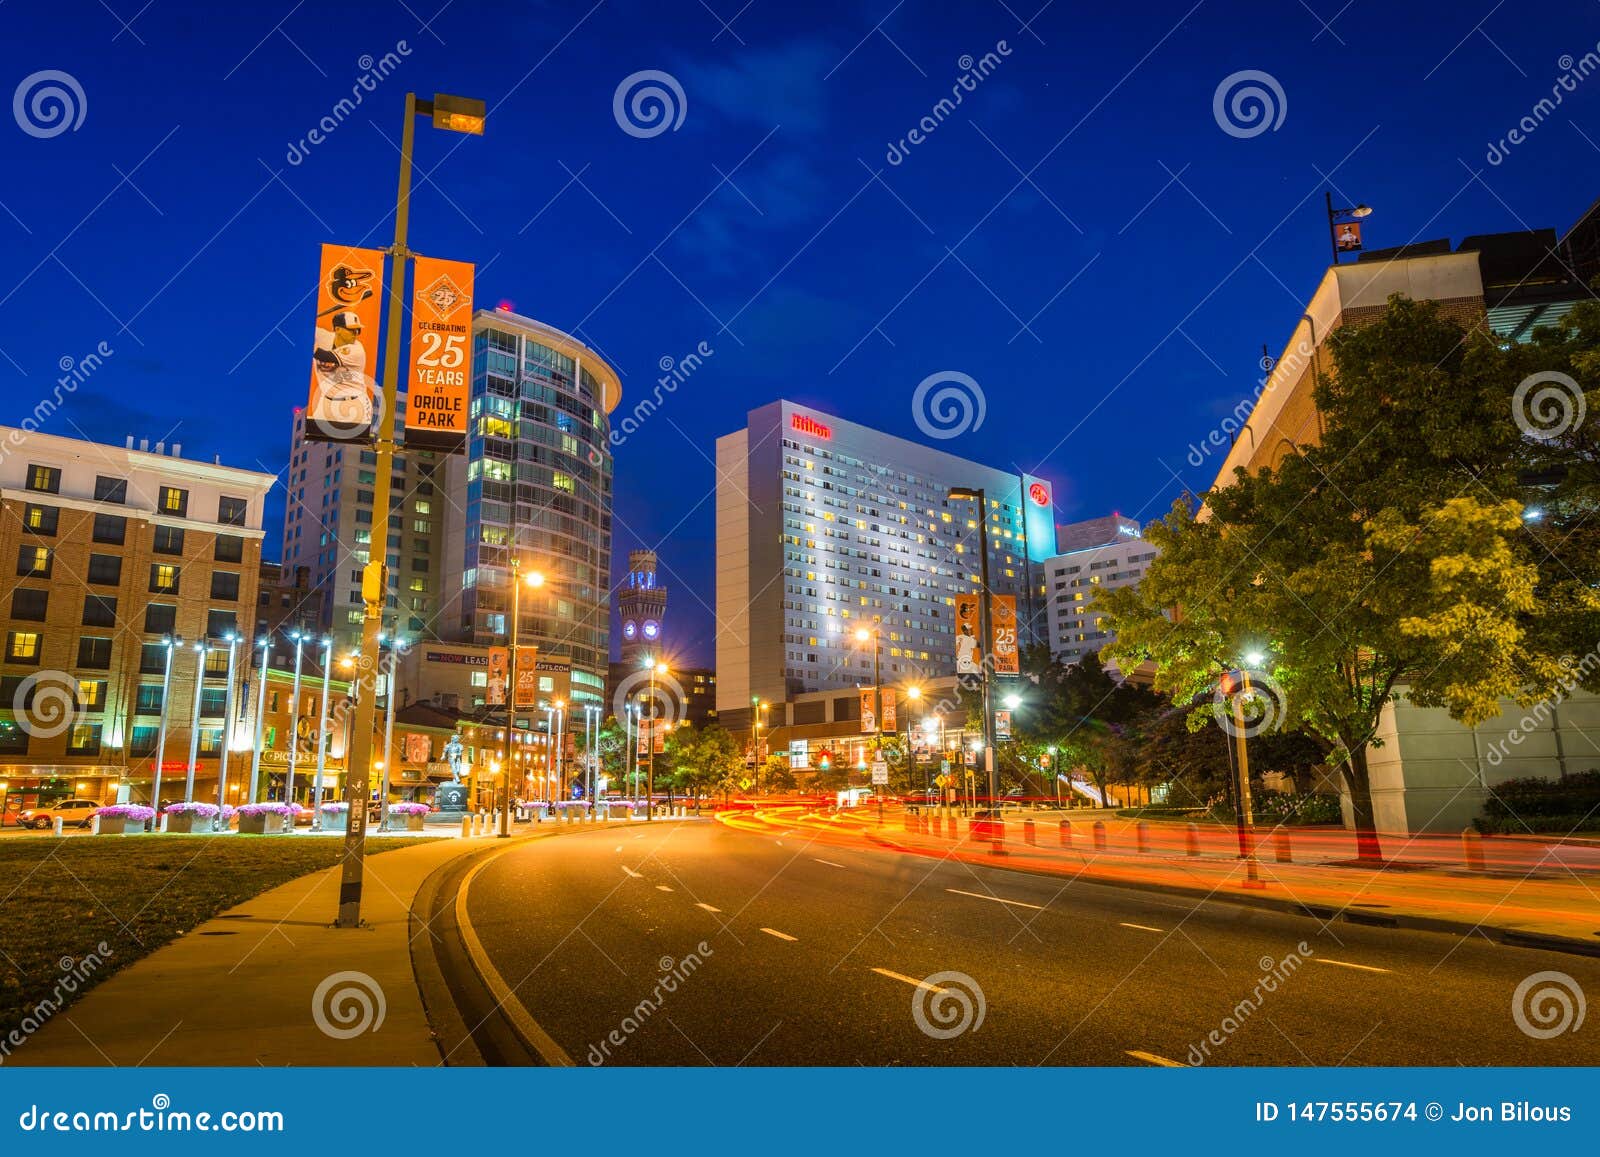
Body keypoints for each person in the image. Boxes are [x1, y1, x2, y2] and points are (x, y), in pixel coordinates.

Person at [309, 310, 373, 436]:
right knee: (316, 439)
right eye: (351, 330)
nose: (356, 334)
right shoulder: (325, 337)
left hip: (354, 405)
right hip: (325, 401)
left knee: (352, 447)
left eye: (358, 330)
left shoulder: (357, 351)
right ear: (337, 329)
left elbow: (324, 356)